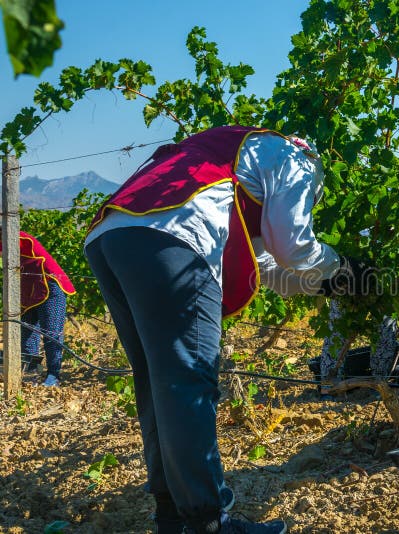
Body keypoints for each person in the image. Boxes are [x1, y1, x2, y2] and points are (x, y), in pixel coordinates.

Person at [84, 126, 373, 534]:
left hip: (114, 236)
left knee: (160, 382)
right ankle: (209, 522)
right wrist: (342, 267)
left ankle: (173, 516)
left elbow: (273, 267)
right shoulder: (295, 158)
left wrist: (327, 281)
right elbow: (294, 245)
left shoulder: (238, 166)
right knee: (189, 382)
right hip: (174, 239)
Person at [0, 230, 75, 386]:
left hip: (51, 285)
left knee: (52, 333)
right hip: (28, 289)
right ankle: (30, 374)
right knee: (26, 333)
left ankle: (54, 376)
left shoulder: (15, 236)